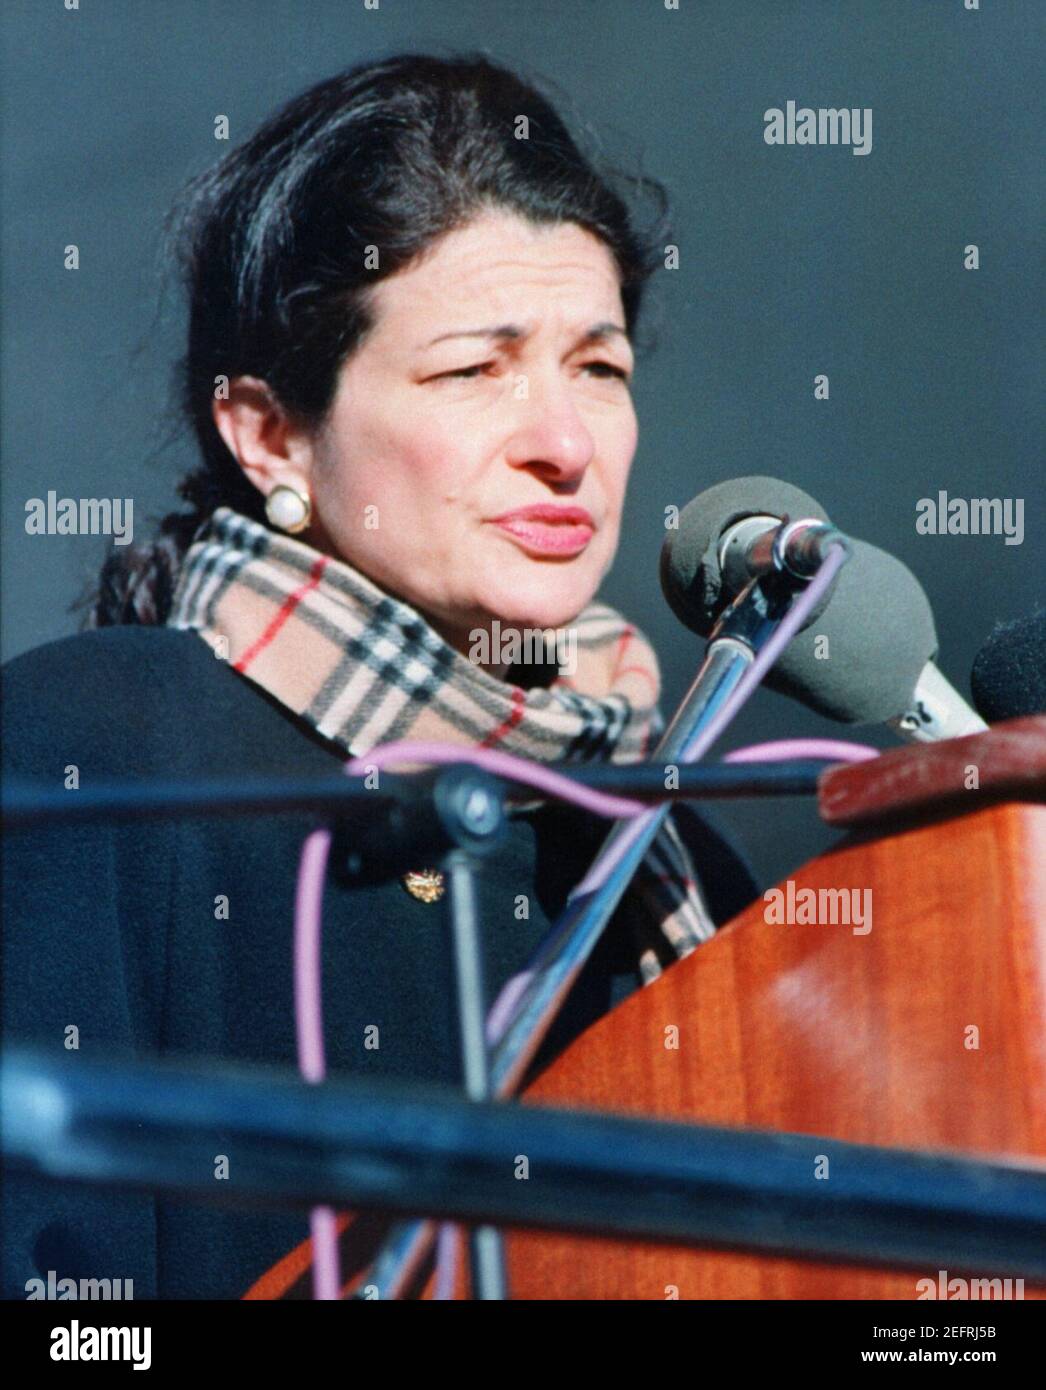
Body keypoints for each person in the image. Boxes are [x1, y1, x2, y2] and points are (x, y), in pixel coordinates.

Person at [1, 52, 756, 1300]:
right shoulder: (102, 755)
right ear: (269, 432)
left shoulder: (658, 850)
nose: (564, 445)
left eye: (599, 367)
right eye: (475, 369)